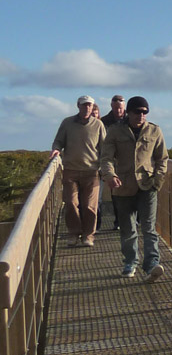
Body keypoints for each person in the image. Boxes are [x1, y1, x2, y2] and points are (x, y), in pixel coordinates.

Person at [100, 95, 169, 281]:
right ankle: (130, 261)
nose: (141, 115)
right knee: (128, 228)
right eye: (137, 112)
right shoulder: (114, 131)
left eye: (145, 112)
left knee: (148, 227)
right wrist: (110, 176)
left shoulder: (154, 131)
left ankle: (152, 265)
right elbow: (106, 158)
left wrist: (158, 179)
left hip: (147, 185)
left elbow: (162, 158)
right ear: (128, 112)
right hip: (122, 186)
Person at [50, 96, 107, 247]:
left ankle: (88, 235)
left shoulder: (98, 125)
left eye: (90, 105)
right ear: (78, 106)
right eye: (84, 105)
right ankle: (73, 233)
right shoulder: (67, 123)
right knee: (70, 203)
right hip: (70, 170)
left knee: (89, 206)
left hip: (91, 171)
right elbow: (59, 141)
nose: (87, 108)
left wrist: (105, 168)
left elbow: (105, 148)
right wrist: (56, 150)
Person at [98, 95, 125, 230]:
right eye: (115, 108)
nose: (118, 111)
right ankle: (118, 222)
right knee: (115, 192)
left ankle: (133, 221)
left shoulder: (130, 120)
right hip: (110, 161)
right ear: (111, 106)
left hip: (127, 161)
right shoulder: (103, 122)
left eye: (120, 108)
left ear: (124, 107)